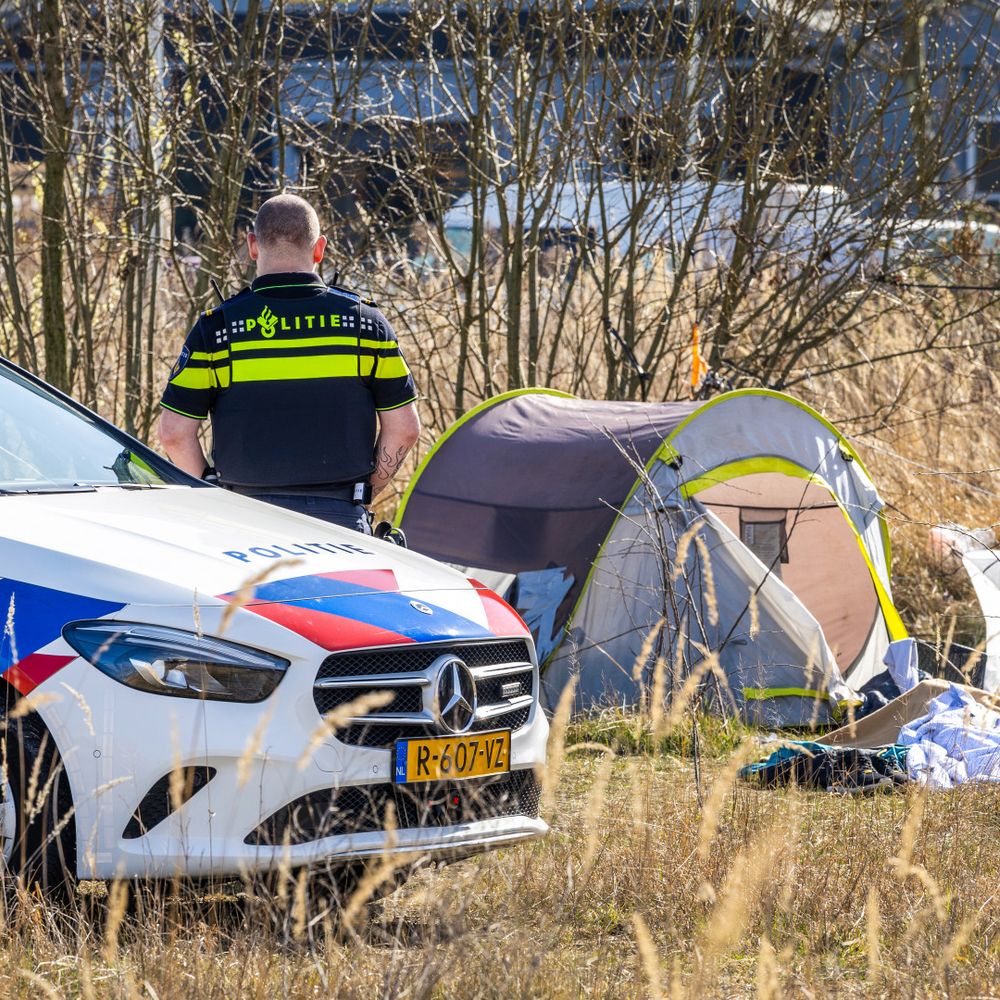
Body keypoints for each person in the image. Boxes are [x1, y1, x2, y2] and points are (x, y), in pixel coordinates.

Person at [158, 194, 420, 534]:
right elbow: (405, 428)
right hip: (341, 521)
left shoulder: (217, 330)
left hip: (242, 523)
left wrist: (214, 495)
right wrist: (366, 492)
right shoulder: (365, 325)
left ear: (252, 246)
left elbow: (174, 435)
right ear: (319, 249)